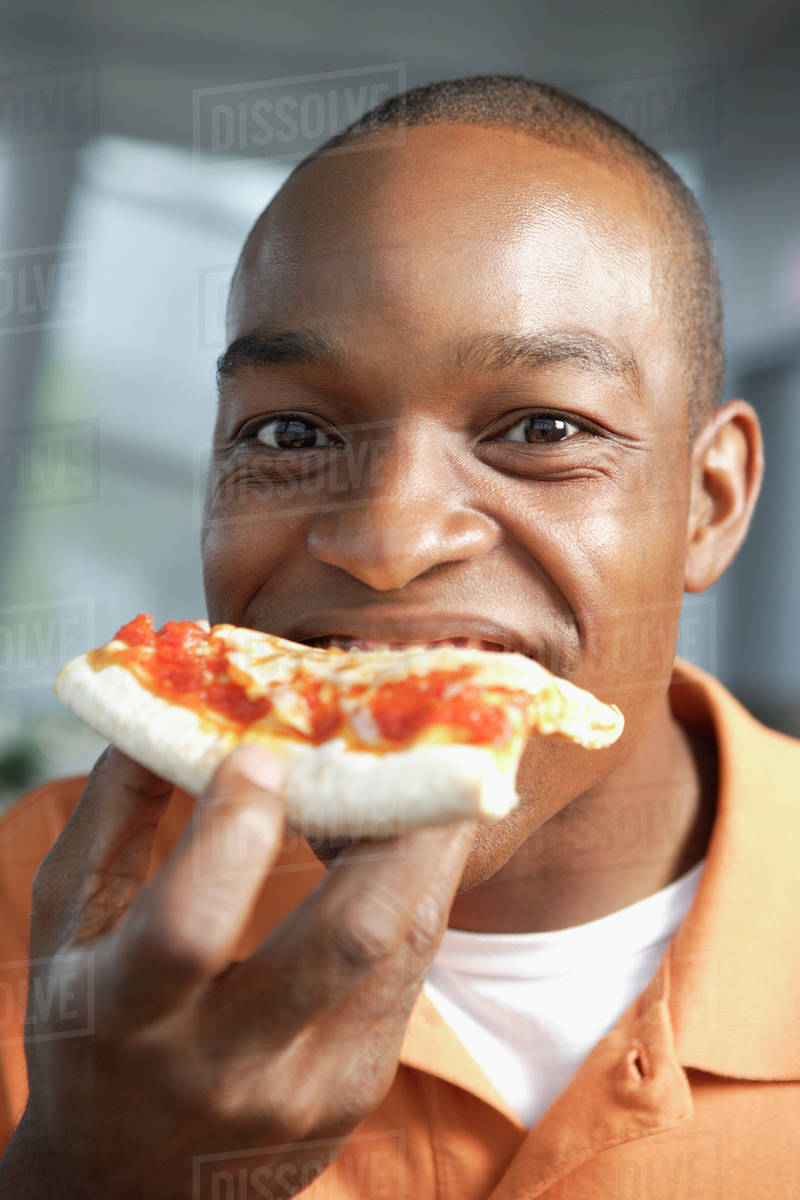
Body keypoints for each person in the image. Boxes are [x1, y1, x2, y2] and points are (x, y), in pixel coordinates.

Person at [1, 75, 798, 1199]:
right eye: (288, 430)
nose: (386, 538)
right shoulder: (25, 908)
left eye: (540, 428)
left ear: (707, 502)